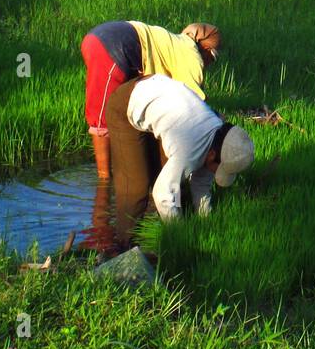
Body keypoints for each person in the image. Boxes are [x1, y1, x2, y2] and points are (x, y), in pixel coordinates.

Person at [103, 73, 255, 245]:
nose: (216, 173)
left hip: (160, 99)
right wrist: (181, 237)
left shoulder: (217, 139)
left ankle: (158, 236)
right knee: (136, 187)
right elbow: (162, 194)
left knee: (167, 177)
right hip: (126, 105)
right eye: (219, 169)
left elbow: (202, 185)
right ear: (212, 155)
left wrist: (207, 224)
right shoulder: (191, 148)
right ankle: (122, 246)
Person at [80, 20, 221, 179]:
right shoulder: (192, 56)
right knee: (101, 117)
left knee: (126, 110)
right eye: (213, 58)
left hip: (104, 38)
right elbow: (195, 105)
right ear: (207, 49)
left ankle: (123, 171)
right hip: (113, 46)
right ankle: (104, 180)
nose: (209, 64)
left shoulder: (177, 44)